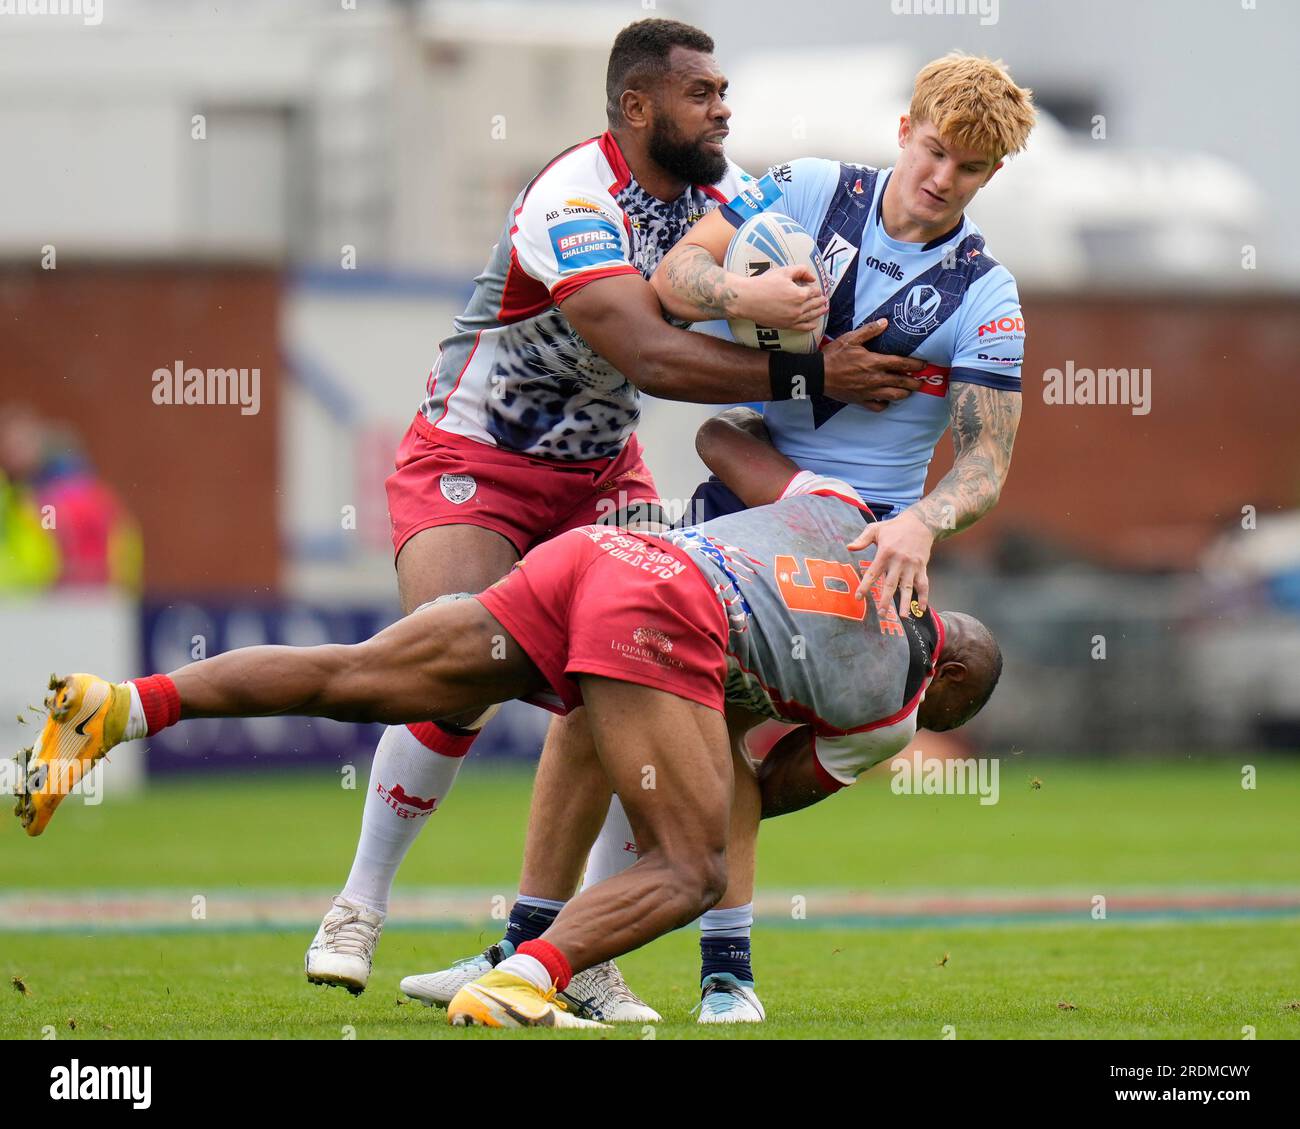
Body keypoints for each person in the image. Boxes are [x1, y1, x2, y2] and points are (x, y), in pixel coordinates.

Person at [409, 51, 1033, 1022]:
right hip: (737, 507)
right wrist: (755, 303)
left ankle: (721, 968)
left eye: (970, 168)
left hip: (851, 547)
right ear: (907, 130)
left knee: (726, 737)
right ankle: (531, 945)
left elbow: (986, 464)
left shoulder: (984, 296)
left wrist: (923, 516)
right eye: (937, 150)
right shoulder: (815, 193)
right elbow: (678, 276)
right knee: (592, 707)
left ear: (989, 178)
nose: (943, 177)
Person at [16, 418, 1001, 1030]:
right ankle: (525, 975)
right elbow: (752, 791)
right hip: (666, 621)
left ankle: (121, 707)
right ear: (943, 679)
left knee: (366, 675)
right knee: (689, 862)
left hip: (608, 555)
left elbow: (720, 441)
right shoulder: (885, 716)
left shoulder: (851, 516)